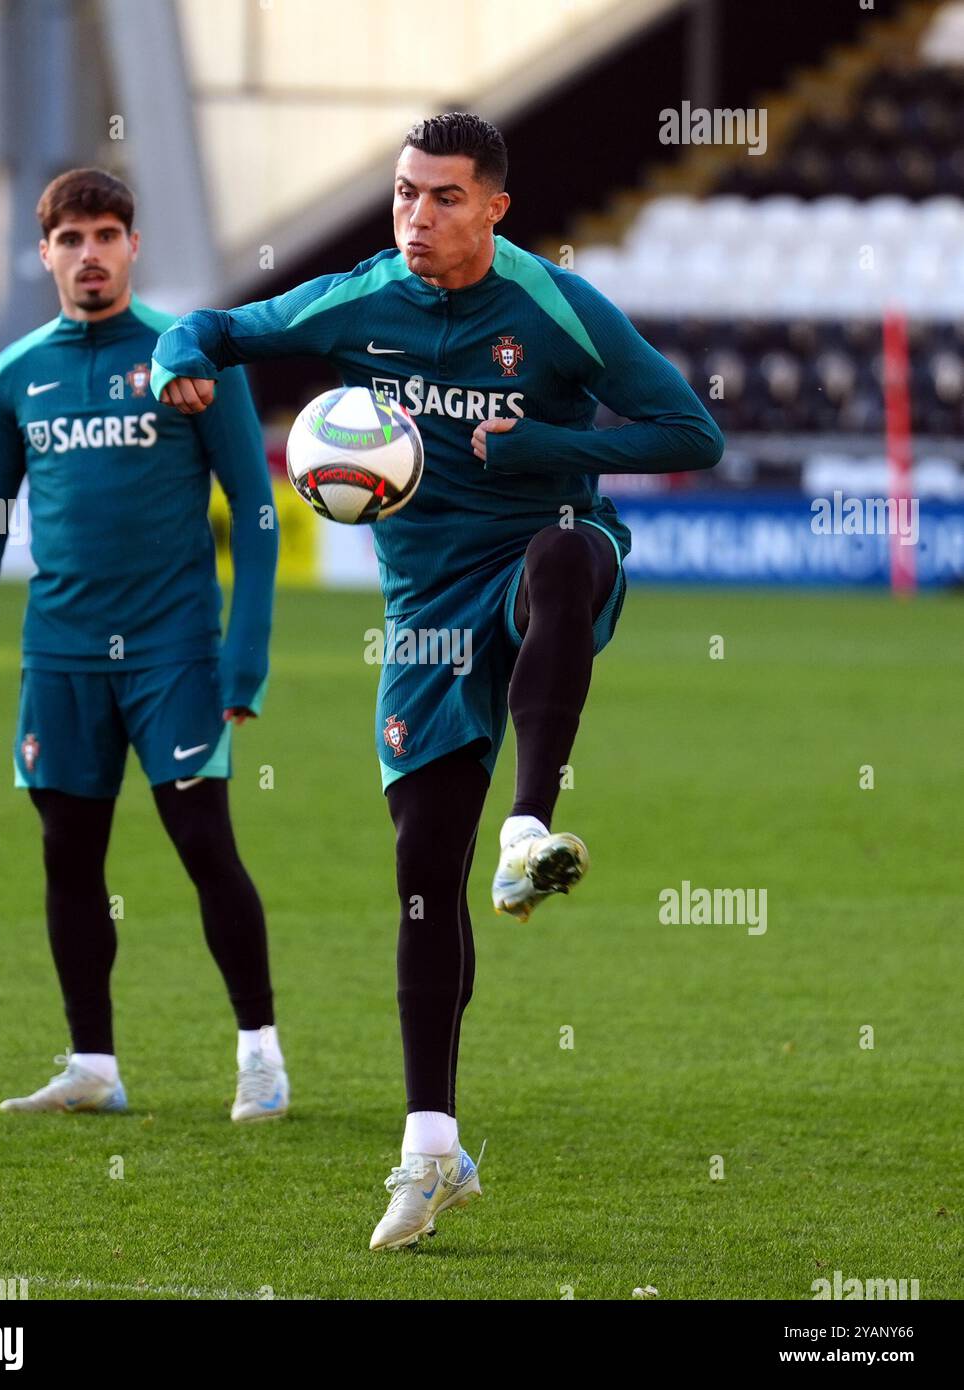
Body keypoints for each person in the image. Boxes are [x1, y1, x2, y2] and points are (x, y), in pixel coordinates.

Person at [151, 113, 724, 1247]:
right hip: (424, 613)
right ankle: (431, 1150)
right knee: (420, 875)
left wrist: (546, 452)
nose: (418, 217)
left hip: (547, 554)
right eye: (406, 194)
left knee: (562, 557)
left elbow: (690, 432)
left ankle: (531, 826)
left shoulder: (557, 306)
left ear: (496, 208)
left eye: (445, 198)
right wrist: (175, 360)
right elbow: (217, 326)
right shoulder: (361, 298)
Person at [0, 169, 288, 1123]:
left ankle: (260, 1052)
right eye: (71, 238)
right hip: (60, 656)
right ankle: (94, 1063)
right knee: (67, 857)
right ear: (44, 253)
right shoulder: (16, 375)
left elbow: (255, 511)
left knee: (204, 842)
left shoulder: (189, 360)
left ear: (133, 246)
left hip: (175, 652)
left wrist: (244, 653)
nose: (90, 253)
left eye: (107, 235)